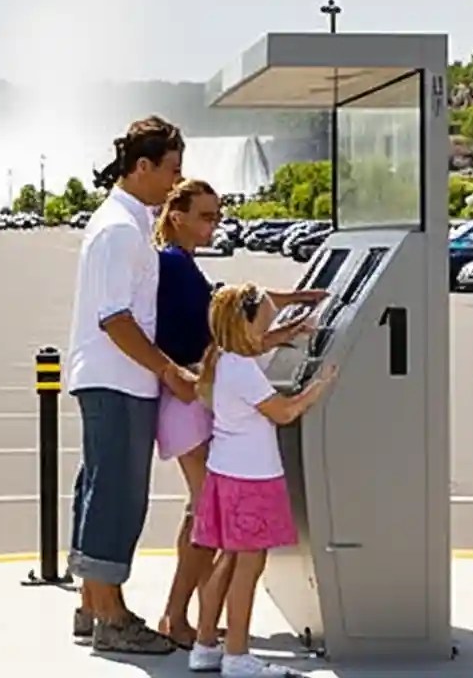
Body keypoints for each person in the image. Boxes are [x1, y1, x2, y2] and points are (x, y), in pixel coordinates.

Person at [150, 181, 323, 650]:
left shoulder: (182, 264)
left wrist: (281, 311)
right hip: (184, 405)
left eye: (217, 217)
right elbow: (220, 321)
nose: (214, 225)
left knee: (206, 517)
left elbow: (224, 328)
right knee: (207, 519)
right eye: (205, 217)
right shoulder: (173, 264)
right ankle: (182, 620)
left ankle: (193, 622)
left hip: (190, 402)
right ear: (177, 215)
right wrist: (279, 312)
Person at [65, 115, 194, 655]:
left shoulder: (126, 221)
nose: (176, 182)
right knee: (117, 496)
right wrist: (169, 369)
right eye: (171, 169)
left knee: (101, 490)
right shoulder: (120, 229)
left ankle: (94, 604)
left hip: (113, 380)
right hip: (118, 380)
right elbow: (116, 317)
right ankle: (111, 618)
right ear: (141, 167)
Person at [186, 283, 338, 678]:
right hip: (252, 479)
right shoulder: (242, 370)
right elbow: (284, 413)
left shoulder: (224, 357)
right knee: (248, 568)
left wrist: (287, 333)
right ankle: (237, 655)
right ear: (245, 322)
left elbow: (256, 345)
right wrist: (319, 387)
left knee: (228, 560)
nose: (265, 329)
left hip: (227, 473)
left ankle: (205, 646)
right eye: (264, 321)